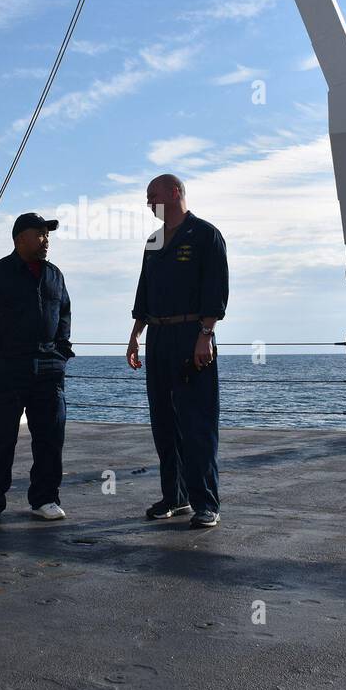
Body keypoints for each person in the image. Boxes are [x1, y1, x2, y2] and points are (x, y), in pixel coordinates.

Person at [126, 175, 228, 529]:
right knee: (164, 423)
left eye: (152, 195)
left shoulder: (205, 235)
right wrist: (136, 333)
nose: (147, 201)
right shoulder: (154, 241)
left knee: (197, 422)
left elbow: (215, 289)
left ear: (174, 192)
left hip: (191, 335)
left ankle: (206, 502)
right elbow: (144, 290)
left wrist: (206, 334)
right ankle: (175, 496)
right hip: (158, 336)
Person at [0, 213, 73, 525]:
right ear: (19, 239)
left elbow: (64, 314)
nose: (46, 240)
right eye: (40, 234)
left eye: (47, 235)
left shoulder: (55, 275)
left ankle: (45, 499)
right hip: (9, 368)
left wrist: (60, 352)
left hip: (48, 369)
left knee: (50, 437)